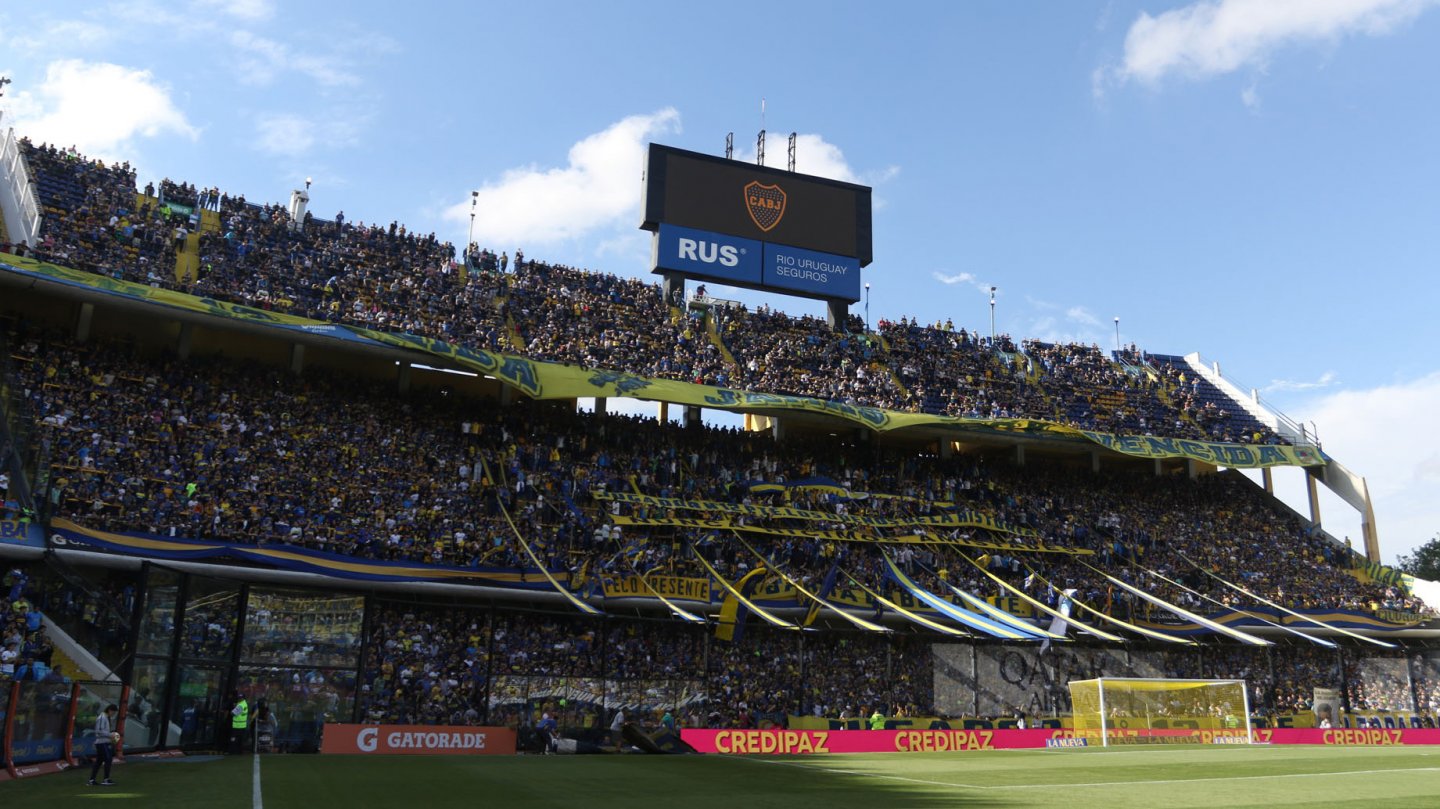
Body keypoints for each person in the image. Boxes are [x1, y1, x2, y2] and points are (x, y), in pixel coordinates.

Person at [88, 704, 118, 786]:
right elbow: (99, 730)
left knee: (99, 761)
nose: (113, 714)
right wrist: (110, 735)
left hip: (103, 741)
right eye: (113, 712)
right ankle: (106, 779)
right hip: (102, 742)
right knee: (108, 759)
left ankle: (92, 780)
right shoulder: (102, 717)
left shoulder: (105, 717)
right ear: (110, 710)